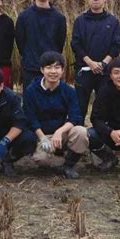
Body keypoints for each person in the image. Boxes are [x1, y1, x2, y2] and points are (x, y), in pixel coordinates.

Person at [23, 51, 88, 179]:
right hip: (43, 134)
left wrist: (59, 132)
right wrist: (42, 138)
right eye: (49, 67)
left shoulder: (69, 91)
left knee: (81, 132)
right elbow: (30, 118)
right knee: (41, 159)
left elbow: (75, 116)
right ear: (42, 70)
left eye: (57, 67)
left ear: (62, 70)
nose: (53, 71)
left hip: (62, 133)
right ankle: (54, 160)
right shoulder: (31, 91)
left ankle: (68, 165)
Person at [71, 0, 120, 120]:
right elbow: (76, 44)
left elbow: (117, 45)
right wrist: (90, 63)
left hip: (105, 70)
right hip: (83, 69)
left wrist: (103, 63)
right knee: (80, 105)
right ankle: (78, 130)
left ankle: (102, 130)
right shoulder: (80, 21)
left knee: (104, 105)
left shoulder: (113, 21)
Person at [15, 0, 67, 90]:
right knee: (30, 97)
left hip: (51, 68)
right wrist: (28, 56)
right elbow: (20, 41)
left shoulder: (59, 18)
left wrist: (52, 62)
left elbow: (60, 42)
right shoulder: (24, 16)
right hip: (30, 66)